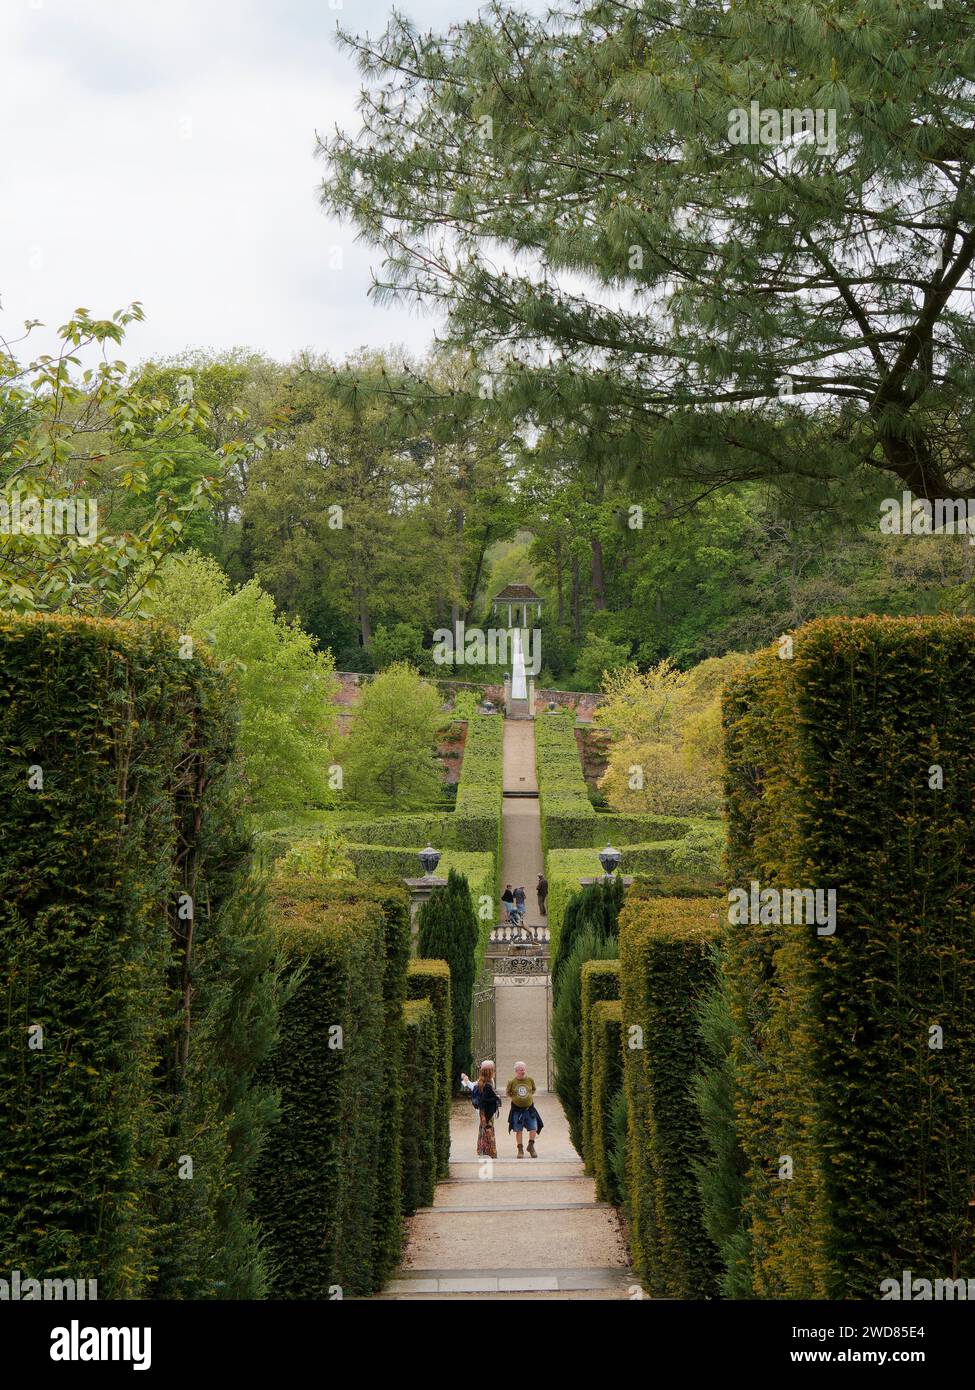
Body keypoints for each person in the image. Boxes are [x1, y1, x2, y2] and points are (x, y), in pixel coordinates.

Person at [461, 1061, 500, 1159]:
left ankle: (482, 1150)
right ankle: (490, 1151)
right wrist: (496, 1098)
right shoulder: (489, 1083)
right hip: (487, 1111)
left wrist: (465, 1079)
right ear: (491, 1072)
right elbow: (485, 1099)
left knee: (483, 1129)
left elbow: (472, 1086)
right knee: (489, 1130)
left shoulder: (481, 1082)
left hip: (482, 1111)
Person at [506, 1061, 542, 1158]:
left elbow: (533, 1089)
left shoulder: (530, 1080)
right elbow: (508, 1093)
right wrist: (517, 1099)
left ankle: (531, 1146)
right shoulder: (512, 1082)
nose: (523, 1071)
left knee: (534, 1127)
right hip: (517, 1111)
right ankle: (520, 1149)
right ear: (516, 1071)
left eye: (524, 1069)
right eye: (521, 1069)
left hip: (529, 1109)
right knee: (518, 1130)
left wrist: (527, 1098)